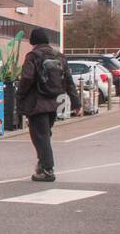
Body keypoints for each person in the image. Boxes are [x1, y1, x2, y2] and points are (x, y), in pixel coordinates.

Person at [16, 27, 81, 183]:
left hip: (36, 102)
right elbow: (68, 80)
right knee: (45, 135)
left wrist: (19, 96)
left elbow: (26, 79)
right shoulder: (59, 56)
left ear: (33, 41)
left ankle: (47, 169)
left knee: (40, 137)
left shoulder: (33, 56)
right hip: (53, 102)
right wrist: (76, 102)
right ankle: (42, 165)